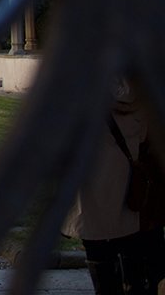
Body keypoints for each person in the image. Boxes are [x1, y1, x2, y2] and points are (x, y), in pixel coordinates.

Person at [64, 79, 165, 295]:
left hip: (90, 197)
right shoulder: (140, 98)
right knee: (135, 270)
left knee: (102, 267)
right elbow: (146, 135)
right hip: (129, 195)